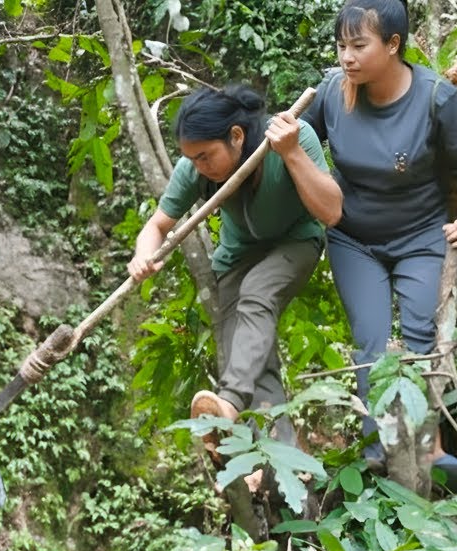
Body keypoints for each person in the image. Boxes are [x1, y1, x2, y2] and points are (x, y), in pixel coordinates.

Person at [301, 0, 457, 487]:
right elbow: (297, 145)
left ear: (393, 44)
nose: (347, 57)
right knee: (371, 342)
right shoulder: (329, 93)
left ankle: (428, 452)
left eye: (358, 45)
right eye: (341, 45)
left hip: (421, 236)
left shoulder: (435, 98)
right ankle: (376, 450)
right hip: (353, 238)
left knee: (422, 344)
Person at [128, 84, 342, 468]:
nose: (199, 167)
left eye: (205, 156)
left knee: (257, 296)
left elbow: (331, 211)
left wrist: (291, 152)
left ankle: (228, 404)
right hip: (236, 257)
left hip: (295, 243)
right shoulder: (194, 167)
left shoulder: (293, 135)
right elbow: (157, 227)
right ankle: (280, 469)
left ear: (237, 136)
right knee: (248, 356)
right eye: (192, 159)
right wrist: (143, 255)